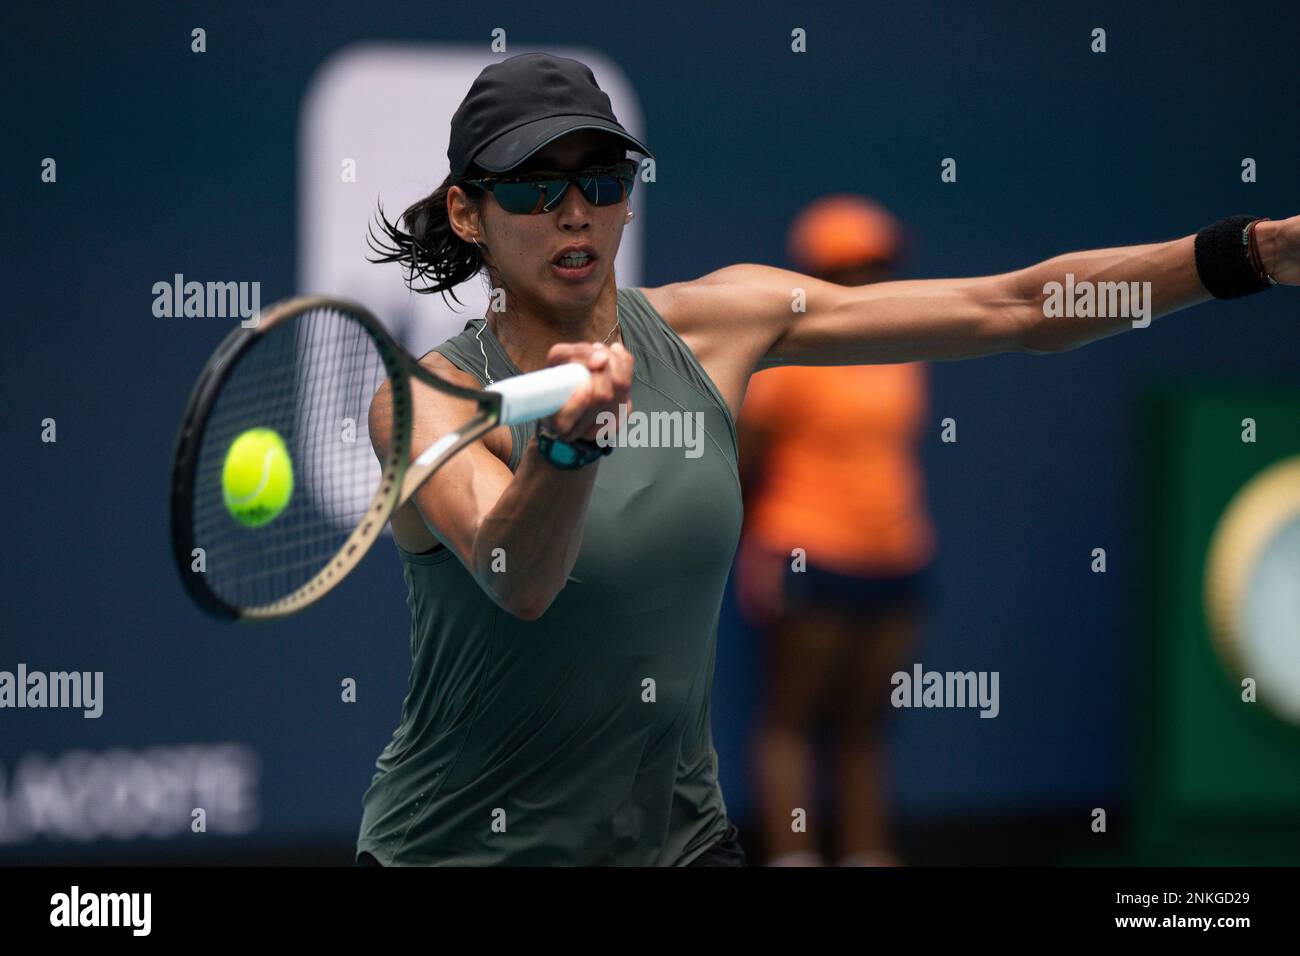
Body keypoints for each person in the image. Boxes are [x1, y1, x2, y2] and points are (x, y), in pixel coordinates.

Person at [355, 51, 1298, 866]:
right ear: (468, 214)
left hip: (678, 844)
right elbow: (515, 574)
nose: (573, 212)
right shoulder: (424, 402)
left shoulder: (720, 325)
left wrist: (1246, 254)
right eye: (530, 185)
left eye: (600, 180)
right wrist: (567, 448)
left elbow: (1013, 309)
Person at [736, 196, 932, 867]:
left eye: (881, 264)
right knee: (791, 718)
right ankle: (795, 856)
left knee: (866, 723)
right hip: (807, 553)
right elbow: (743, 464)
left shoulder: (906, 347)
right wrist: (755, 552)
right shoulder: (787, 360)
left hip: (898, 555)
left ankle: (868, 853)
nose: (872, 278)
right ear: (823, 272)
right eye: (855, 266)